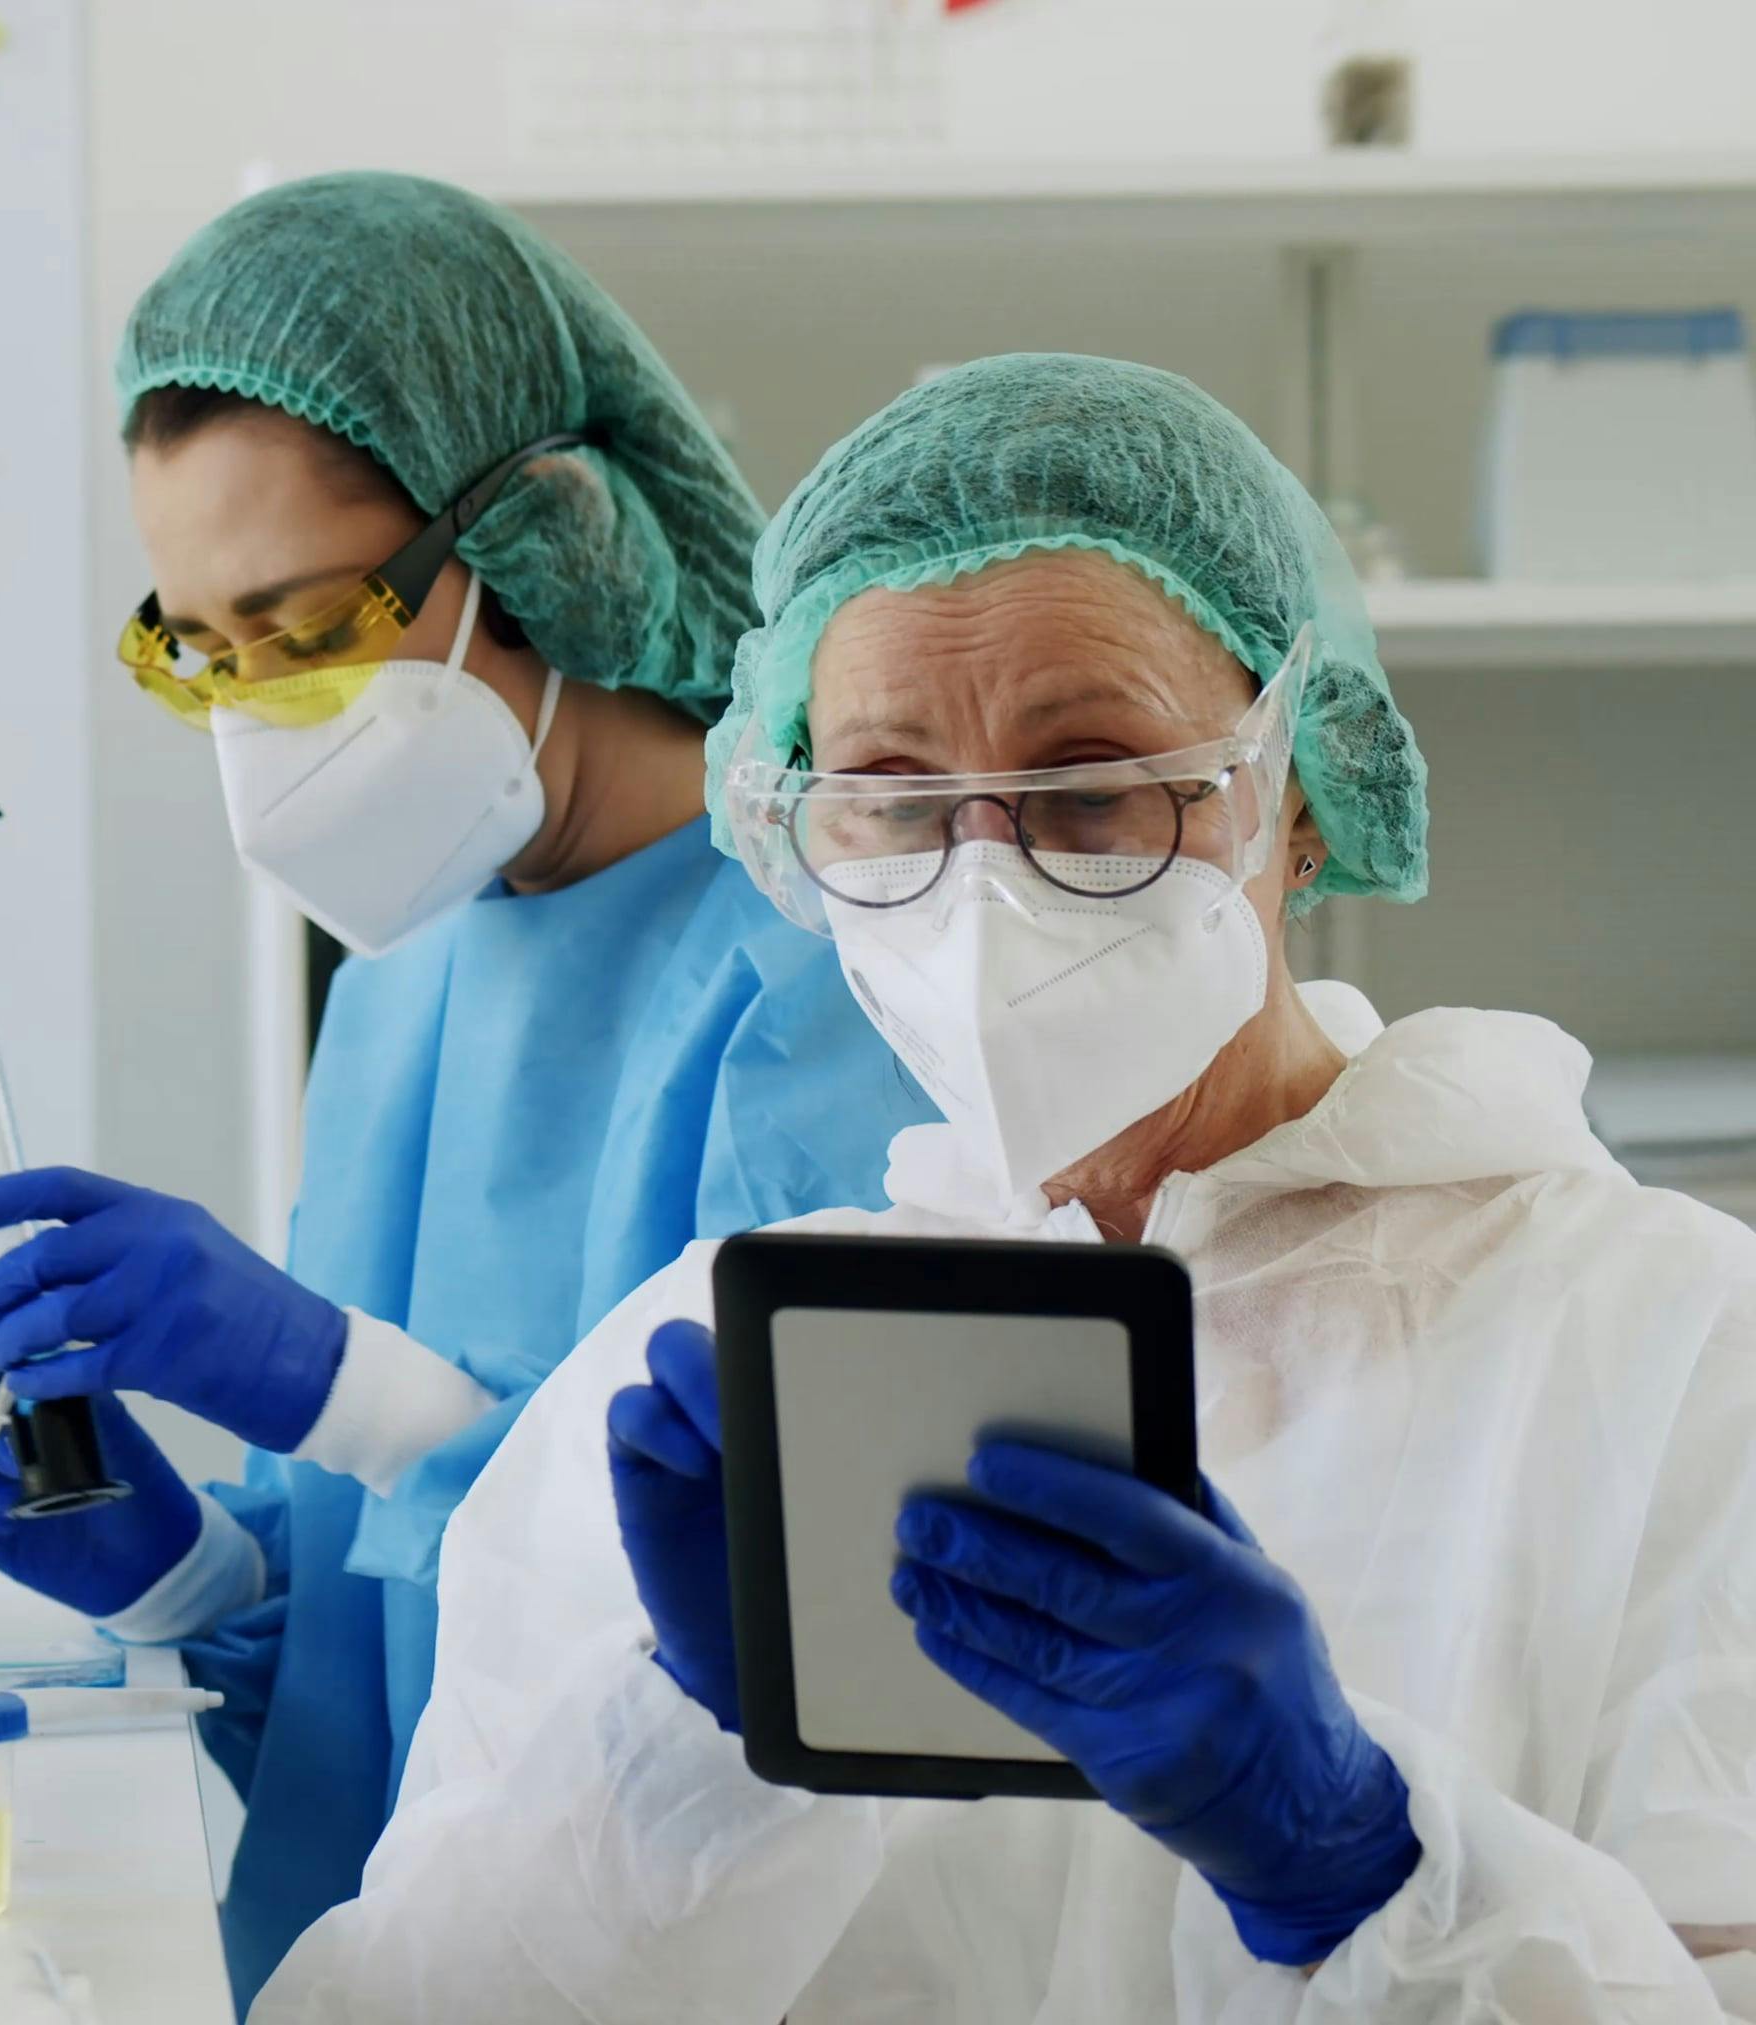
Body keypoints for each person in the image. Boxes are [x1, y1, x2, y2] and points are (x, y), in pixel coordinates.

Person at [258, 352, 1756, 2021]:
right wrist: (688, 1743)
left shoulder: (1669, 1347)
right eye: (891, 803)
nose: (985, 893)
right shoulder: (715, 1367)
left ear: (1298, 799)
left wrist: (1358, 1861)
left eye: (1095, 782)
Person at [0, 171, 932, 2007]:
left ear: (545, 545)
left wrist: (337, 1380)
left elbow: (805, 1614)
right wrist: (188, 1577)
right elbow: (397, 1660)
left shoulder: (824, 963)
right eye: (200, 650)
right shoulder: (403, 977)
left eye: (302, 628)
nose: (254, 721)